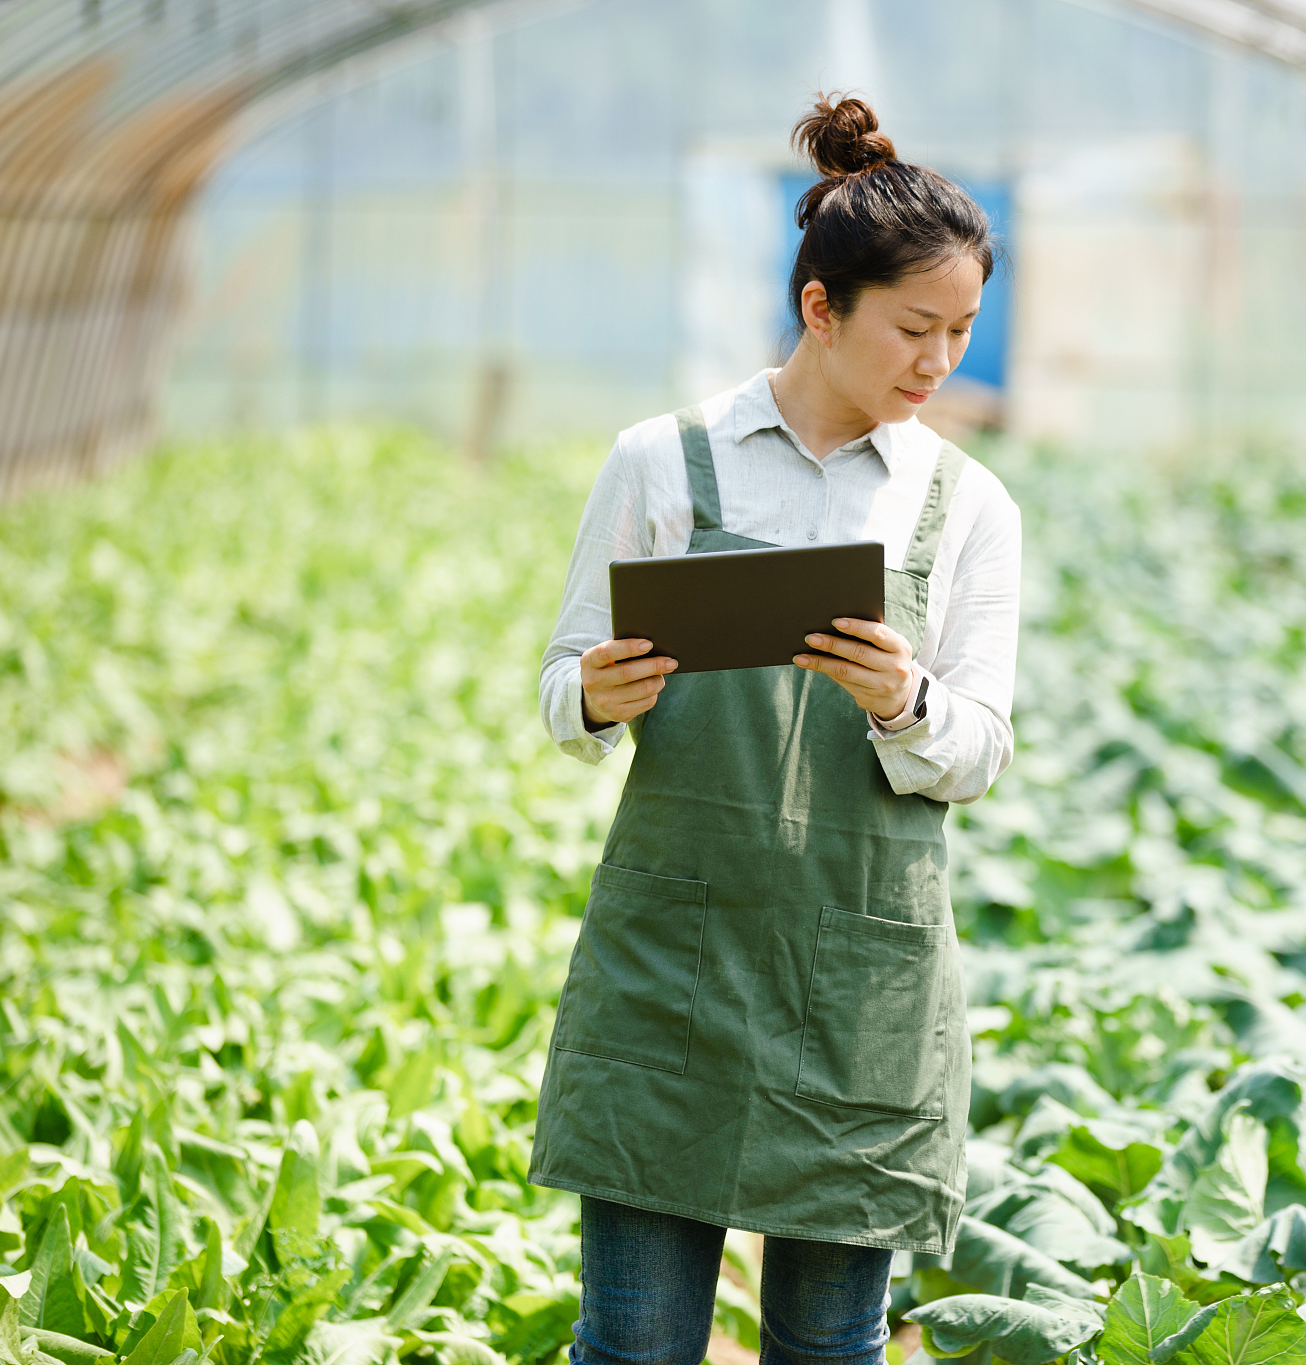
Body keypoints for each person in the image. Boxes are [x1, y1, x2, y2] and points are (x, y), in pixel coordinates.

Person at [528, 92, 1022, 1365]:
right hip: (670, 967)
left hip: (859, 981)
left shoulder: (964, 506)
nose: (938, 363)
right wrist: (597, 693)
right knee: (632, 1346)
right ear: (820, 307)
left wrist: (903, 702)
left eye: (960, 331)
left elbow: (980, 749)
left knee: (827, 1346)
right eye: (914, 328)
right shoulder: (662, 461)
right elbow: (556, 680)